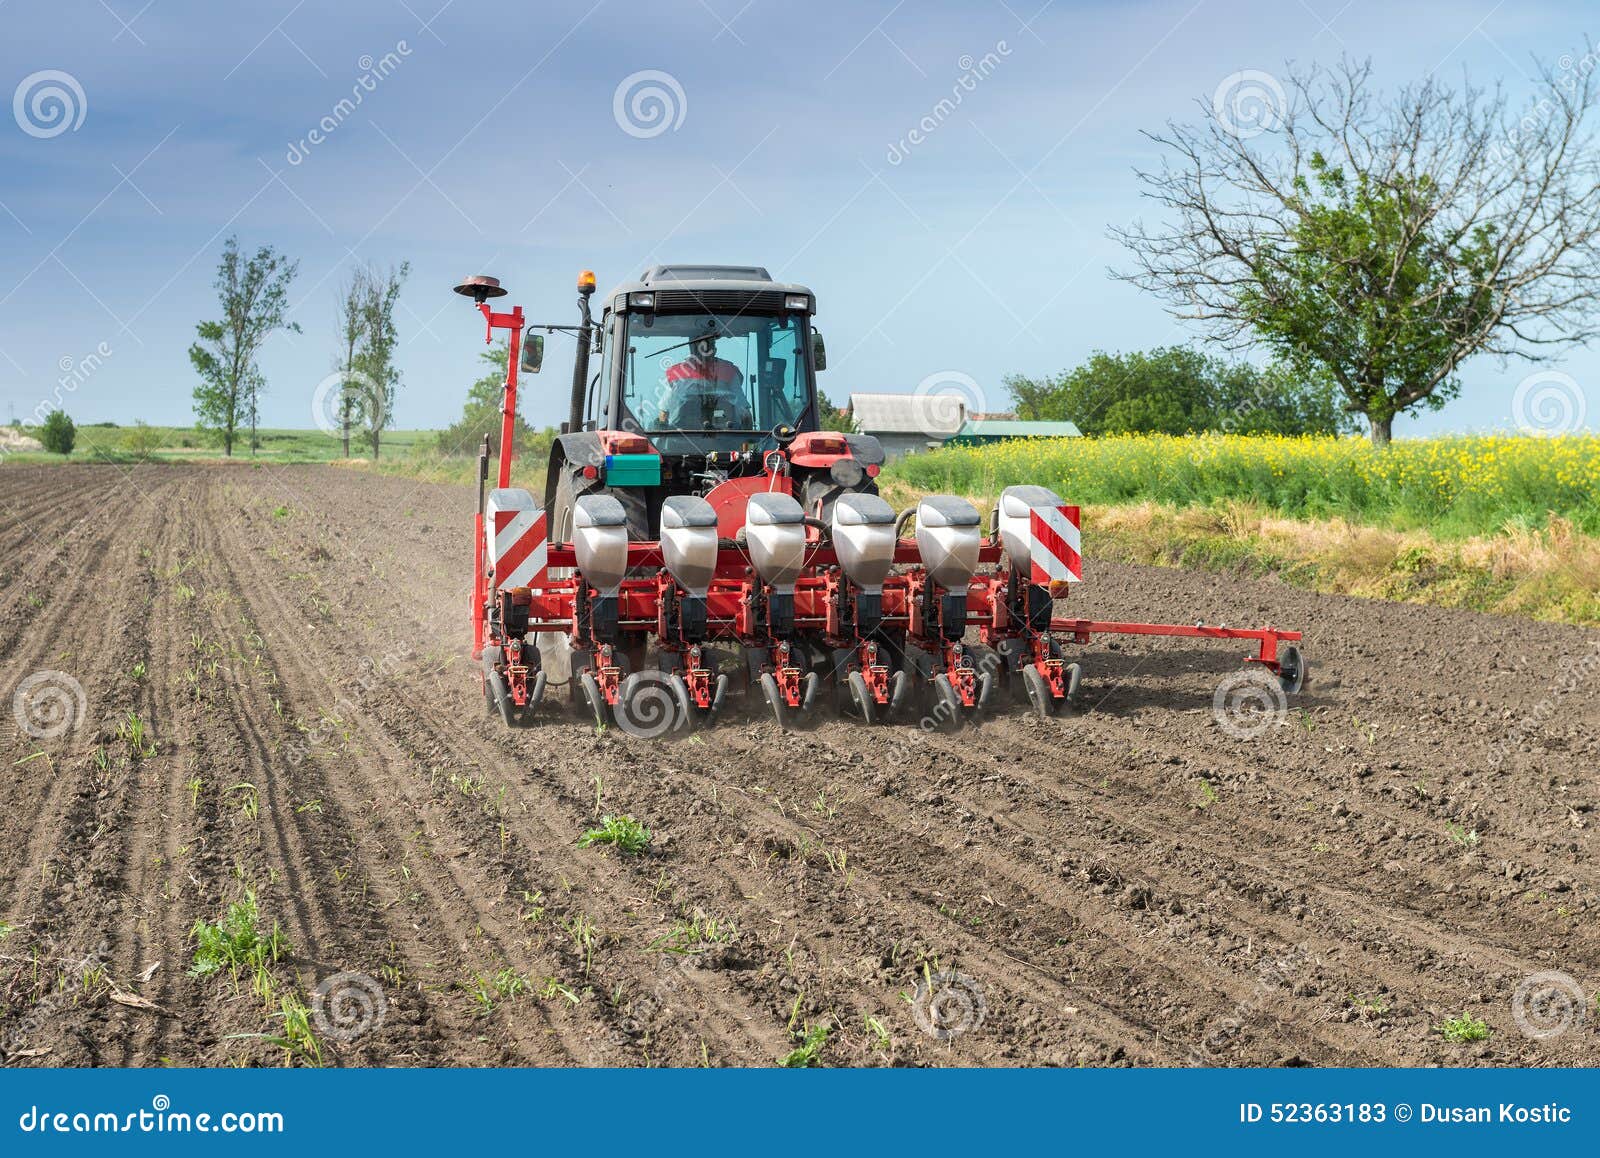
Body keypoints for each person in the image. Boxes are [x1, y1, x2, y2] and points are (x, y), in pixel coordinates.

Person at [657, 335, 749, 428]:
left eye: (709, 344)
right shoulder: (677, 373)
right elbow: (744, 412)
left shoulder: (728, 371)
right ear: (692, 347)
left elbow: (663, 413)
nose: (705, 348)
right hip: (683, 438)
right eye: (702, 345)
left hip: (724, 437)